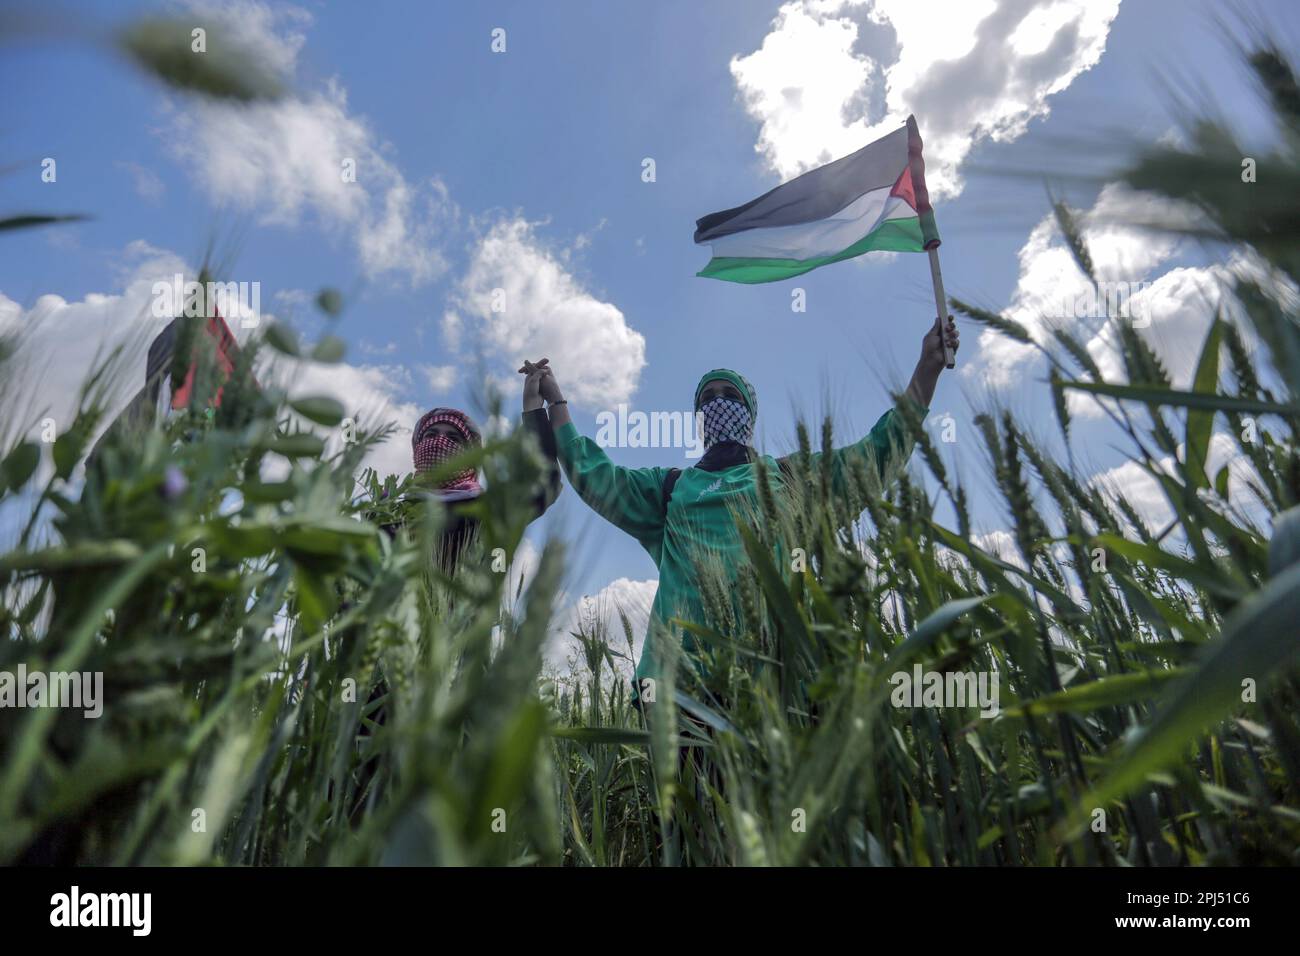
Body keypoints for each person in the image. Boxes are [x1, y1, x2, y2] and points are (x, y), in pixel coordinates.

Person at [522, 318, 958, 703]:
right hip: (680, 692)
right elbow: (595, 476)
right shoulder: (669, 490)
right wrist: (556, 404)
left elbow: (875, 455)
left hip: (778, 689)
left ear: (748, 410)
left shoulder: (791, 479)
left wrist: (927, 371)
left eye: (728, 394)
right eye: (707, 397)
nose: (717, 402)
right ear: (699, 418)